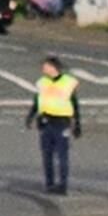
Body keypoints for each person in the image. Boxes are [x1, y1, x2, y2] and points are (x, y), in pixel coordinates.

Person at [26, 55, 81, 194]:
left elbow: (74, 103)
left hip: (62, 123)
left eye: (45, 66)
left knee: (62, 156)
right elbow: (37, 100)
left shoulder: (68, 82)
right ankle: (49, 183)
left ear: (53, 67)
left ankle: (63, 185)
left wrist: (77, 123)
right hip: (46, 122)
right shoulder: (42, 82)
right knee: (47, 155)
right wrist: (31, 116)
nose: (43, 69)